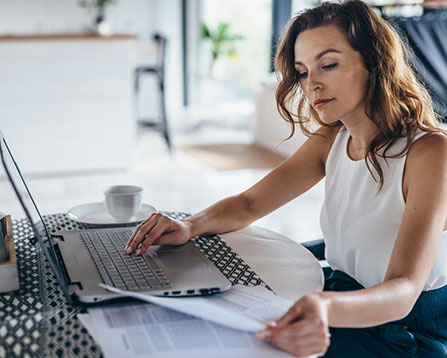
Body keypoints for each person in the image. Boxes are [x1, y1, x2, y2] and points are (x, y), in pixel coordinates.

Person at [125, 0, 447, 356]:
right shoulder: (333, 137)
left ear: (374, 62)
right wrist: (190, 224)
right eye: (303, 71)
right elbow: (250, 204)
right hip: (339, 296)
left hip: (404, 330)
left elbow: (404, 290)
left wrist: (324, 308)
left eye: (328, 64)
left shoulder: (431, 152)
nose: (313, 84)